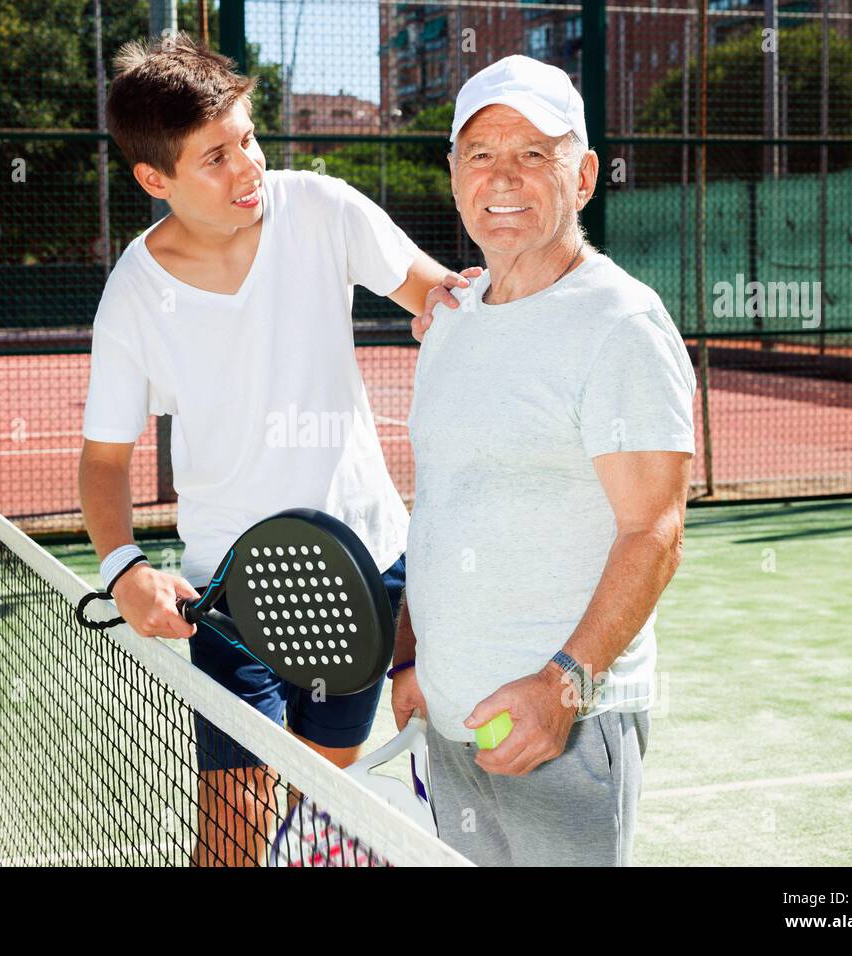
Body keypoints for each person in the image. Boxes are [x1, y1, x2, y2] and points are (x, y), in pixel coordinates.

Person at [78, 33, 470, 865]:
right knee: (231, 834)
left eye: (248, 138)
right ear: (157, 180)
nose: (248, 167)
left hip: (373, 572)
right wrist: (124, 568)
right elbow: (104, 461)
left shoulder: (322, 209)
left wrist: (466, 305)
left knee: (315, 806)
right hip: (231, 590)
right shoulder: (135, 296)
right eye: (215, 157)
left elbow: (431, 289)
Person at [393, 55, 696, 866]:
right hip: (453, 723)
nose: (504, 178)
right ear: (454, 174)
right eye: (482, 153)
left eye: (535, 153)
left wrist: (562, 690)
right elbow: (439, 504)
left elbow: (654, 531)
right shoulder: (450, 321)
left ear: (586, 174)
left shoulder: (621, 322)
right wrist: (412, 655)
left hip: (566, 726)